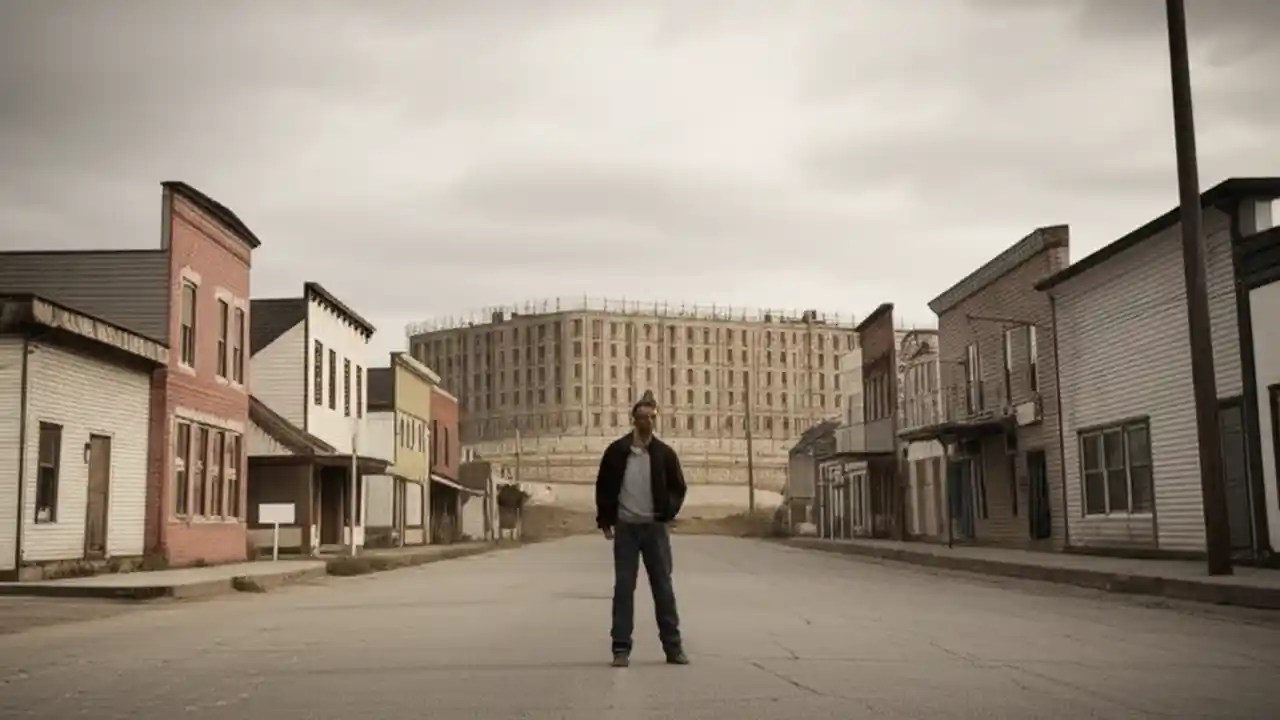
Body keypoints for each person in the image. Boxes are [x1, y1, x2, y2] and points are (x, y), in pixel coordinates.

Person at [595, 391, 689, 667]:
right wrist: (605, 521)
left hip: (655, 529)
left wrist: (667, 513)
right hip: (626, 529)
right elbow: (604, 487)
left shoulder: (664, 454)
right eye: (641, 416)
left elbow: (678, 488)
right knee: (624, 588)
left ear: (656, 419)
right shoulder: (617, 452)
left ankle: (673, 647)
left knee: (663, 588)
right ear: (633, 419)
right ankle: (620, 649)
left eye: (651, 416)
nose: (646, 421)